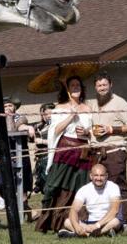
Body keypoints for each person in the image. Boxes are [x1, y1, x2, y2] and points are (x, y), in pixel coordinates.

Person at [35, 75, 94, 233]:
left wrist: (86, 132)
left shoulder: (87, 108)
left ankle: (76, 221)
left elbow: (92, 131)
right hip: (65, 151)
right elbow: (55, 131)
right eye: (72, 85)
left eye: (78, 85)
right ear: (67, 89)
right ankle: (52, 222)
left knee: (79, 187)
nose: (76, 88)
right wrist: (70, 116)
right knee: (56, 186)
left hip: (83, 152)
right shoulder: (60, 108)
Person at [88, 73, 127, 222]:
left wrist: (111, 129)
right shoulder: (92, 104)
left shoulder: (120, 102)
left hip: (115, 151)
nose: (102, 88)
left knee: (117, 186)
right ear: (95, 87)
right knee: (99, 187)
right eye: (99, 85)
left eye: (104, 85)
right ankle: (104, 218)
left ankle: (123, 220)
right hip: (97, 153)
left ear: (111, 85)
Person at [60, 162, 124, 237]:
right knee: (67, 222)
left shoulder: (113, 187)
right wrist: (77, 226)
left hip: (107, 221)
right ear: (91, 176)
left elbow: (114, 210)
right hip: (89, 223)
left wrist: (97, 225)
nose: (99, 178)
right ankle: (95, 233)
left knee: (115, 222)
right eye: (96, 175)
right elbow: (73, 210)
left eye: (102, 175)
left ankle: (86, 234)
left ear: (106, 176)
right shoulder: (84, 189)